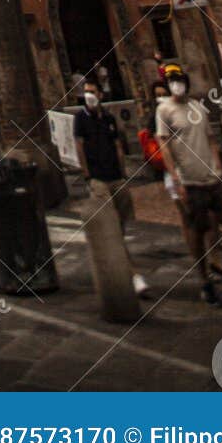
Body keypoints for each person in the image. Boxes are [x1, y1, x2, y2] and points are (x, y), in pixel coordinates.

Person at [155, 69, 222, 304]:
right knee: (194, 225)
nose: (176, 85)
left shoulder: (197, 107)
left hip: (210, 175)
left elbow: (210, 138)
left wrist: (218, 164)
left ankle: (217, 261)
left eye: (178, 80)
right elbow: (163, 143)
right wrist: (175, 178)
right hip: (186, 178)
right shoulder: (163, 111)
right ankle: (204, 277)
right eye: (171, 82)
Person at [74, 80, 148, 298]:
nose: (88, 96)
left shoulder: (108, 118)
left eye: (92, 92)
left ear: (101, 94)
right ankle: (132, 275)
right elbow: (79, 146)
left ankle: (118, 266)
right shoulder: (80, 119)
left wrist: (123, 173)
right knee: (111, 227)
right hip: (97, 178)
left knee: (119, 226)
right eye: (86, 92)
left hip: (116, 177)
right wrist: (87, 175)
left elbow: (117, 146)